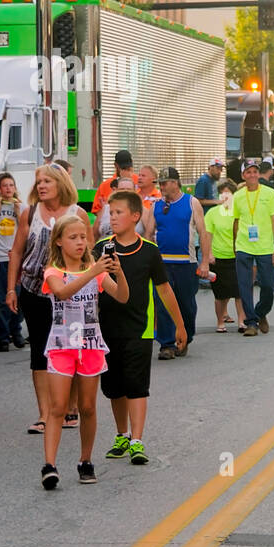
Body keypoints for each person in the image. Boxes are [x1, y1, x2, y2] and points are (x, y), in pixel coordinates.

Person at [96, 191, 187, 467]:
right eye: (110, 213)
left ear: (135, 216)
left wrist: (179, 325)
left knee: (137, 385)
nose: (113, 218)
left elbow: (164, 289)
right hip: (107, 327)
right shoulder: (101, 247)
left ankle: (137, 439)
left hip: (140, 327)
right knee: (114, 388)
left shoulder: (149, 250)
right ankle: (121, 434)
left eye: (119, 212)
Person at [39, 214, 129, 488]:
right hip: (62, 345)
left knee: (88, 407)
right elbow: (63, 292)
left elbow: (123, 297)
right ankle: (50, 465)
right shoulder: (53, 271)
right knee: (58, 407)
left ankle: (85, 460)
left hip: (89, 345)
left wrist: (118, 271)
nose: (80, 243)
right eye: (73, 237)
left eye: (83, 237)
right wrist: (92, 271)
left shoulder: (97, 272)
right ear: (59, 241)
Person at [7, 164, 90, 435]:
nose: (41, 186)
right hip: (34, 291)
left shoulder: (77, 214)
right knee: (40, 352)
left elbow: (87, 254)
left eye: (47, 181)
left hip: (70, 293)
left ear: (61, 183)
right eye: (38, 182)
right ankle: (44, 414)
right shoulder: (29, 213)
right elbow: (17, 252)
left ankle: (71, 407)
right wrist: (11, 288)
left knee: (70, 350)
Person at [141, 167, 210, 360]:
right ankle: (167, 343)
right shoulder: (156, 206)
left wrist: (204, 261)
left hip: (186, 262)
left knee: (186, 304)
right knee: (163, 304)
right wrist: (148, 261)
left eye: (164, 183)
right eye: (160, 183)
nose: (161, 187)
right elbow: (148, 235)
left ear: (175, 182)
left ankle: (185, 336)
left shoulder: (191, 202)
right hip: (162, 263)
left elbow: (203, 233)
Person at [231, 161, 274, 337]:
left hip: (265, 246)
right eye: (248, 172)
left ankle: (261, 312)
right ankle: (251, 322)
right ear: (243, 176)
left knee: (268, 286)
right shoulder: (237, 196)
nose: (252, 175)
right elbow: (236, 221)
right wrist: (234, 245)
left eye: (255, 172)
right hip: (244, 245)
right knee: (244, 285)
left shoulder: (270, 194)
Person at [0, 172, 27, 351]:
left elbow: (26, 233)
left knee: (18, 296)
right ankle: (2, 336)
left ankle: (16, 331)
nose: (9, 188)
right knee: (1, 298)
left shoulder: (22, 207)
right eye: (5, 186)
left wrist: (19, 214)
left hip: (16, 257)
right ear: (0, 189)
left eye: (11, 185)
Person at [204, 179, 244, 331]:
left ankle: (242, 321)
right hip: (219, 256)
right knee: (220, 293)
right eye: (222, 193)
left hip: (236, 255)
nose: (224, 196)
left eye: (228, 193)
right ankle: (220, 322)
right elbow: (208, 235)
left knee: (239, 292)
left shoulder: (239, 212)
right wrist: (209, 254)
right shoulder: (213, 213)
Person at [92, 149, 135, 218]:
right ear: (115, 165)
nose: (124, 170)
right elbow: (97, 211)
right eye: (123, 168)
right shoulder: (105, 185)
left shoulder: (137, 181)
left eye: (127, 168)